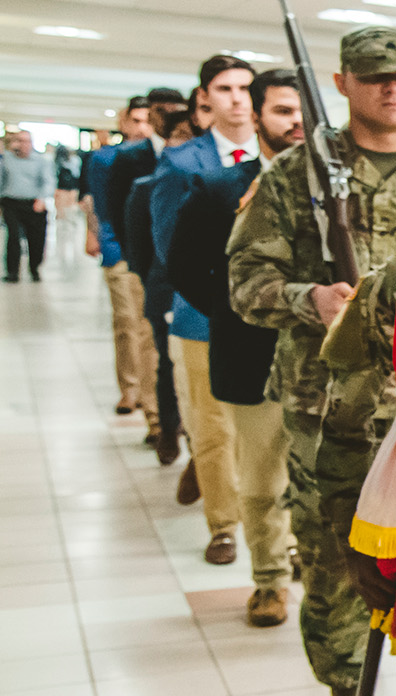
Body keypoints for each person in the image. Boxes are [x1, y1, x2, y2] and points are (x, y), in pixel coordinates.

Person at [227, 24, 396, 696]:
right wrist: (307, 298)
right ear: (343, 83)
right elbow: (244, 284)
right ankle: (346, 688)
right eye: (376, 76)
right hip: (326, 409)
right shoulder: (293, 178)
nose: (392, 88)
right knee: (332, 558)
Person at [151, 56, 298, 626]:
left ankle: (300, 555)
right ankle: (268, 578)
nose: (296, 124)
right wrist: (237, 308)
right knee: (259, 476)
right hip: (249, 350)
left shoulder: (334, 184)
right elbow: (182, 264)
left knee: (320, 476)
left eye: (303, 113)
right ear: (258, 117)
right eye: (282, 112)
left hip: (323, 360)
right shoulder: (216, 186)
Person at [115, 88, 195, 467]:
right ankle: (162, 422)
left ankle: (192, 435)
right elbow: (128, 224)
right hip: (157, 278)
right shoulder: (141, 175)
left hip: (198, 287)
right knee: (160, 352)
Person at [88, 98, 160, 424]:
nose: (143, 126)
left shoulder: (163, 156)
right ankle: (131, 388)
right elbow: (96, 202)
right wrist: (94, 236)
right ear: (125, 122)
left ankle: (153, 396)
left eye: (148, 119)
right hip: (119, 250)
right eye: (137, 120)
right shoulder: (105, 158)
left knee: (148, 328)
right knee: (128, 323)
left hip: (155, 253)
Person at [0, 130, 53, 282]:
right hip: (11, 203)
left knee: (36, 239)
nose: (23, 144)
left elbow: (48, 181)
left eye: (26, 141)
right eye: (20, 141)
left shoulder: (41, 161)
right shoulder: (7, 159)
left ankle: (34, 268)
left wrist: (42, 198)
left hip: (34, 204)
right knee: (13, 237)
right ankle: (12, 272)